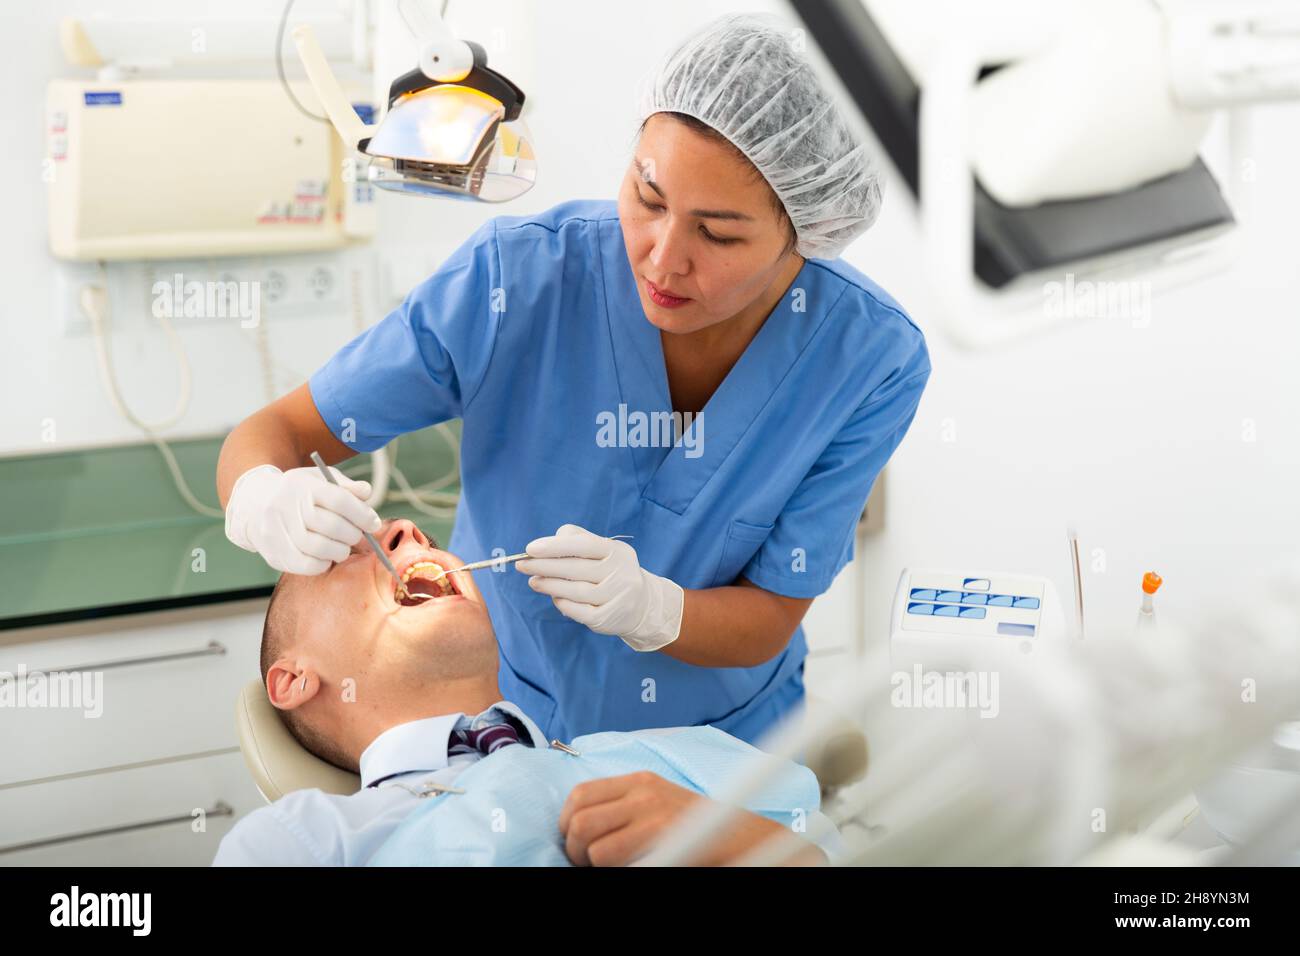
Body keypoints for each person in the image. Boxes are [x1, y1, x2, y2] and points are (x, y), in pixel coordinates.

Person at [217, 13, 929, 747]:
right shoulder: (518, 280)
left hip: (719, 751)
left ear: (805, 233)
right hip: (511, 724)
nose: (660, 259)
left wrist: (656, 610)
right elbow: (277, 434)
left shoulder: (869, 359)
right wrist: (259, 493)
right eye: (648, 198)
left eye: (716, 234)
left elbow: (769, 618)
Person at [213, 519, 840, 866]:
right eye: (344, 553)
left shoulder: (675, 761)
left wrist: (726, 839)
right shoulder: (305, 840)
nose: (407, 530)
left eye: (417, 536)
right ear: (292, 681)